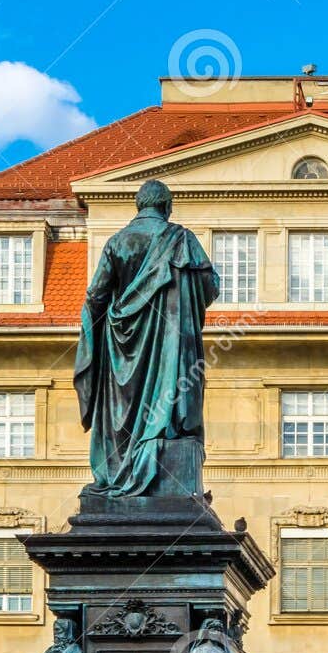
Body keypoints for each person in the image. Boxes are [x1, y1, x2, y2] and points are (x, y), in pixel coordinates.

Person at [74, 179, 219, 499]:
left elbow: (95, 297)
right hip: (173, 346)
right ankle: (162, 447)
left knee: (121, 412)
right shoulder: (183, 240)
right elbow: (210, 288)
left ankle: (120, 471)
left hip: (121, 350)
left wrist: (93, 340)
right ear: (167, 207)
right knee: (171, 396)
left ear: (139, 207)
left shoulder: (117, 242)